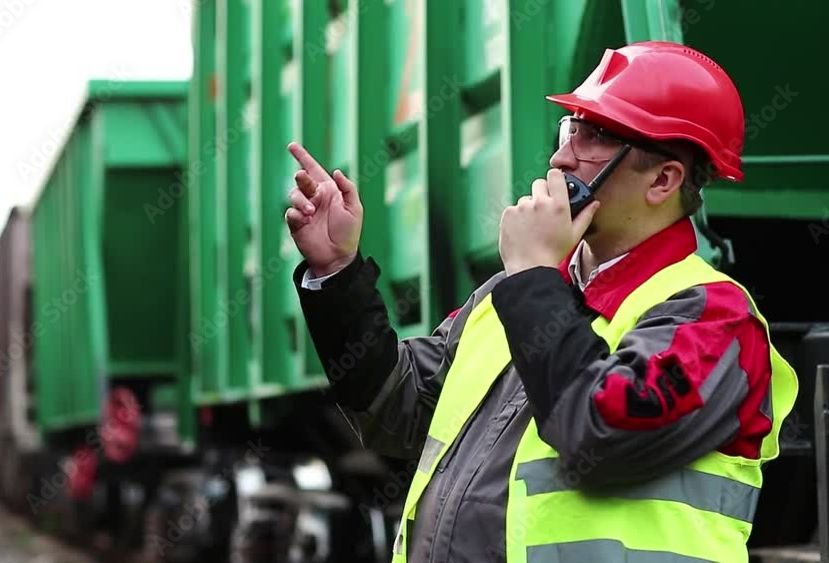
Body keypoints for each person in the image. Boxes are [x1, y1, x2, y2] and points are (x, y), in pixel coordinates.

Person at [285, 41, 798, 563]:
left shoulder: (713, 318)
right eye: (571, 129)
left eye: (597, 136)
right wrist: (337, 272)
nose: (562, 156)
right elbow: (396, 410)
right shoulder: (514, 295)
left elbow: (599, 435)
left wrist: (533, 276)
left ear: (663, 180)